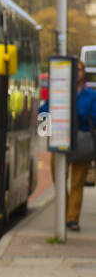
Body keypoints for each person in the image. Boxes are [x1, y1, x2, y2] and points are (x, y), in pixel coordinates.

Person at [40, 60, 96, 230]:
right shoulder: (60, 91)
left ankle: (72, 219)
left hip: (82, 141)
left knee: (77, 183)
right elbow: (44, 110)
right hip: (61, 138)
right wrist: (45, 133)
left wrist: (78, 115)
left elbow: (94, 115)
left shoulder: (91, 94)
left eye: (79, 70)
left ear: (83, 72)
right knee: (59, 178)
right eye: (74, 70)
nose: (77, 73)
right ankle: (64, 214)